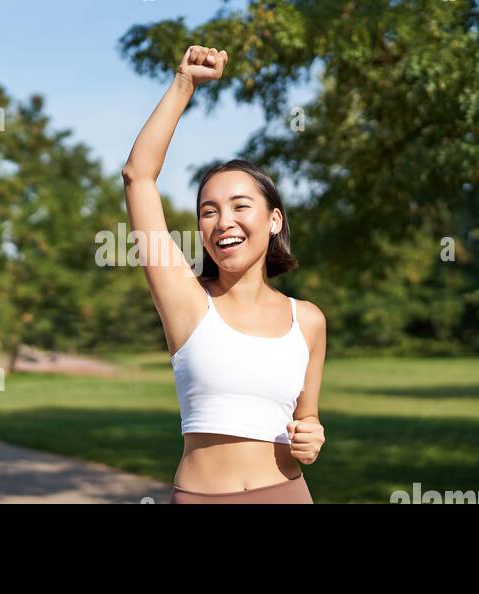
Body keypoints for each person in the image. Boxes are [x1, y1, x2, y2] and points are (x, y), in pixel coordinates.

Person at [121, 45, 328, 504]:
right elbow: (138, 176)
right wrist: (183, 84)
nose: (223, 222)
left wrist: (312, 438)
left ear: (274, 220)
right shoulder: (187, 302)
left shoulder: (308, 321)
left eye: (240, 206)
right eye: (208, 211)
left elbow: (306, 421)